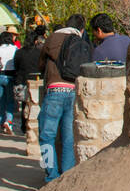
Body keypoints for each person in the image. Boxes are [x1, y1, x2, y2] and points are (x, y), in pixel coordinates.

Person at [37, 15, 92, 181]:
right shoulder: (81, 42)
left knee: (46, 135)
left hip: (54, 90)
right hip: (73, 91)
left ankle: (50, 176)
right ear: (81, 29)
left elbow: (40, 63)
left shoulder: (53, 37)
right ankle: (66, 177)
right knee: (69, 137)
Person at [13, 25, 46, 134]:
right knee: (35, 105)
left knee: (24, 106)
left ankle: (24, 125)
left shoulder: (19, 52)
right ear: (36, 41)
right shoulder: (40, 53)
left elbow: (16, 66)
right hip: (36, 81)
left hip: (22, 81)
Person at [0, 31, 18, 135]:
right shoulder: (15, 49)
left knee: (1, 100)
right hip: (10, 76)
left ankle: (2, 122)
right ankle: (9, 121)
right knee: (10, 101)